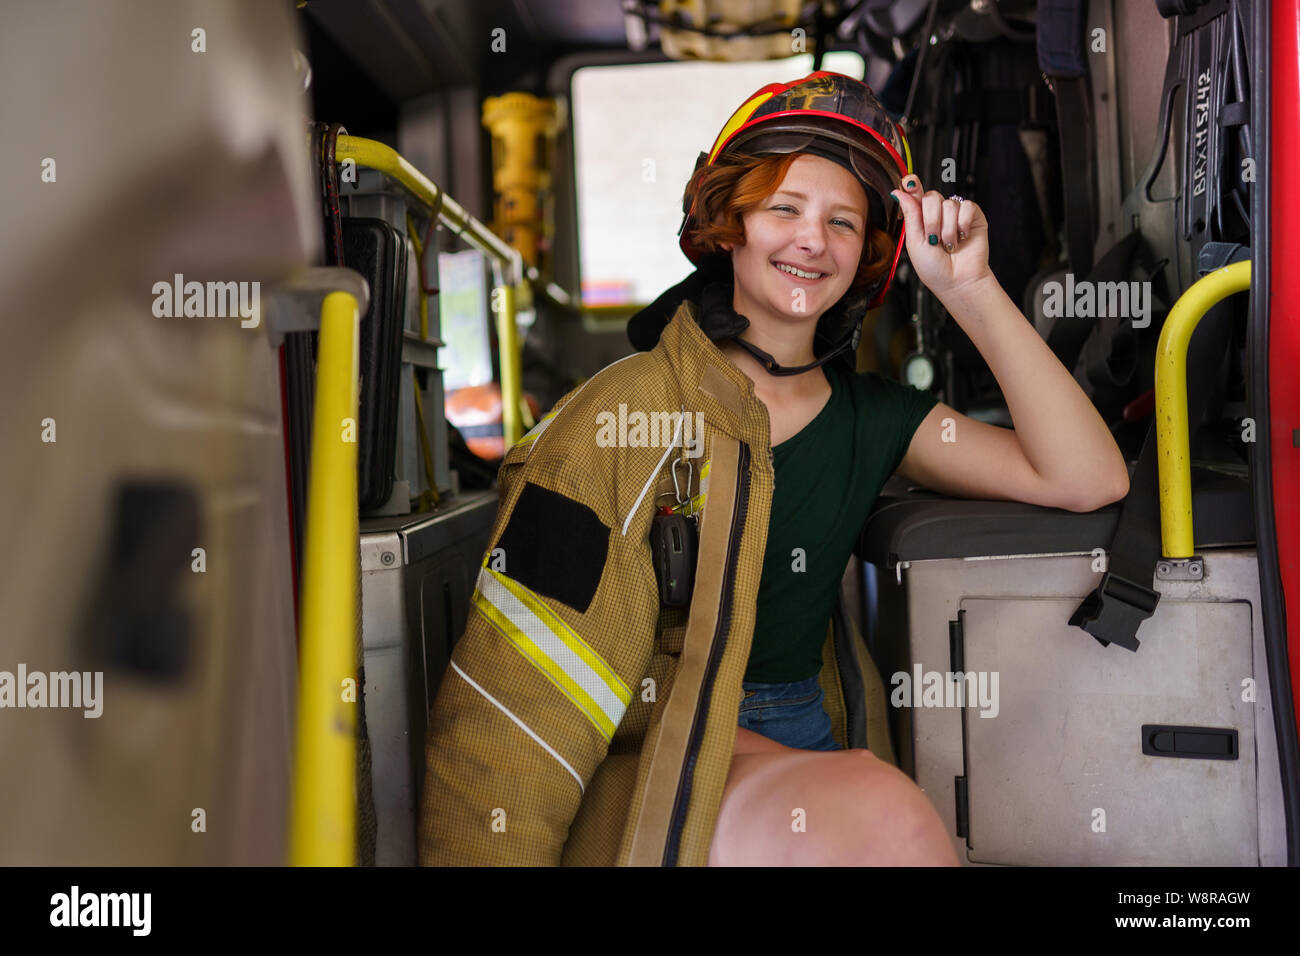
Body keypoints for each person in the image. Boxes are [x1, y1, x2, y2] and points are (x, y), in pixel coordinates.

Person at [419, 72, 1129, 867]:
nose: (811, 241)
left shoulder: (873, 418)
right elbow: (511, 699)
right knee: (891, 820)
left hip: (803, 731)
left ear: (867, 253)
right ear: (729, 224)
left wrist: (970, 288)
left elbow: (1086, 478)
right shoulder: (616, 417)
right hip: (660, 751)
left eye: (843, 221)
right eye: (783, 208)